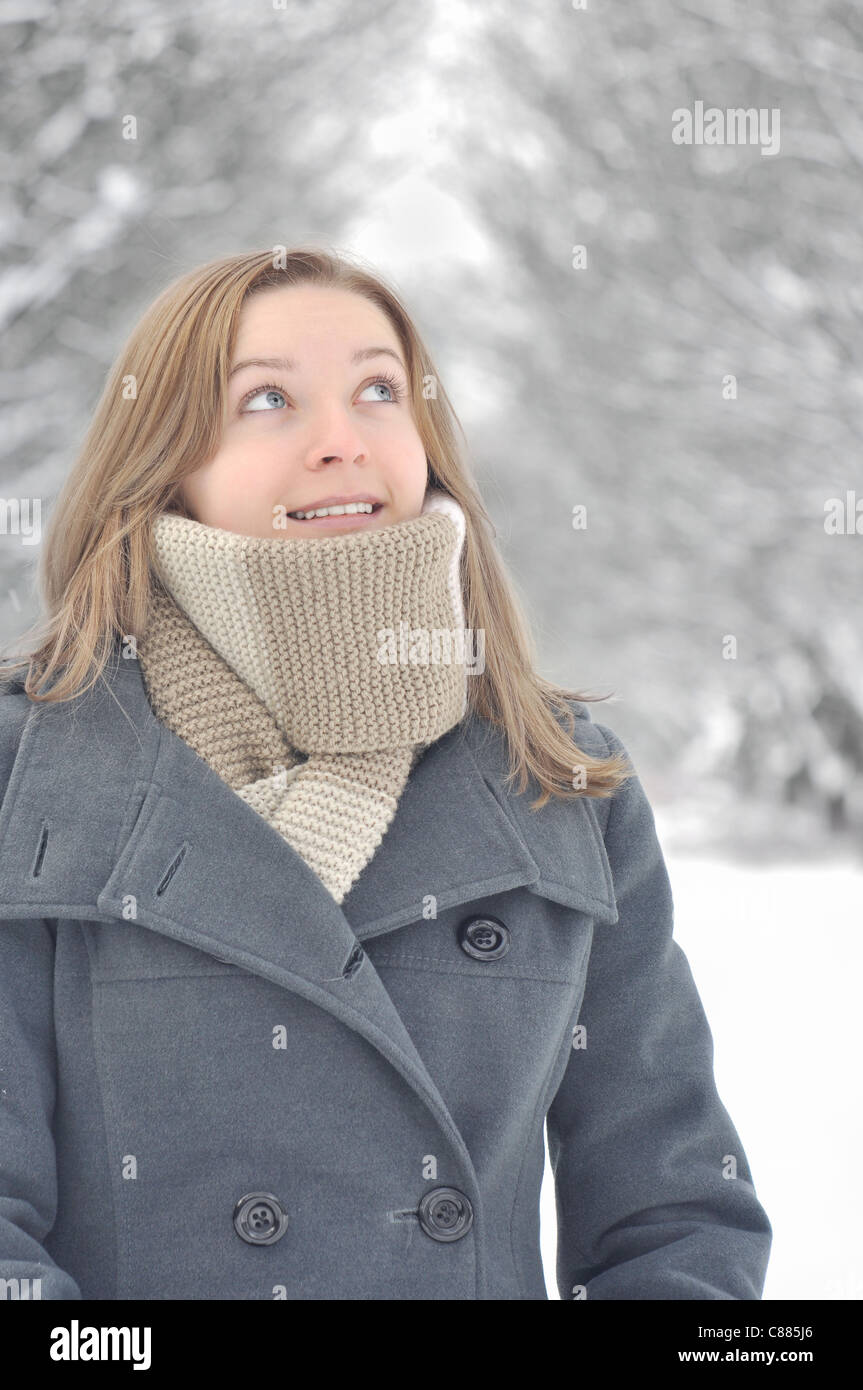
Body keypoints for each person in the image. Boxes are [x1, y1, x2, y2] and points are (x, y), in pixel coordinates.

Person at [0, 246, 771, 1301]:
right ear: (162, 457)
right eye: (266, 399)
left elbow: (675, 1214)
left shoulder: (558, 775)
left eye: (378, 390)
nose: (341, 440)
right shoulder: (30, 773)